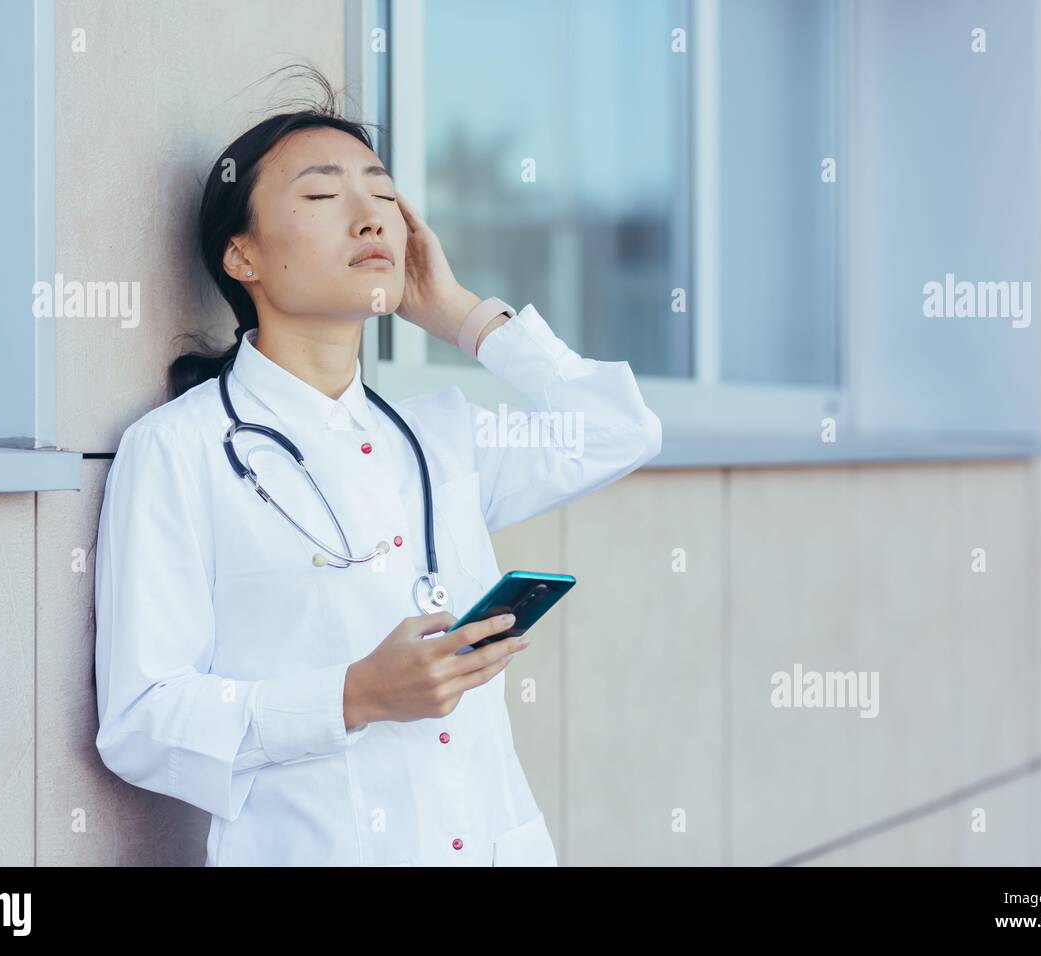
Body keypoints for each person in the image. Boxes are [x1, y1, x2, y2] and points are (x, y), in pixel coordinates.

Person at [93, 76, 662, 866]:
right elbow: (142, 723)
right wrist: (351, 697)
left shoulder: (440, 437)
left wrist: (462, 312)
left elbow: (619, 430)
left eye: (385, 196)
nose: (370, 217)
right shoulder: (179, 451)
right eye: (323, 196)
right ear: (241, 254)